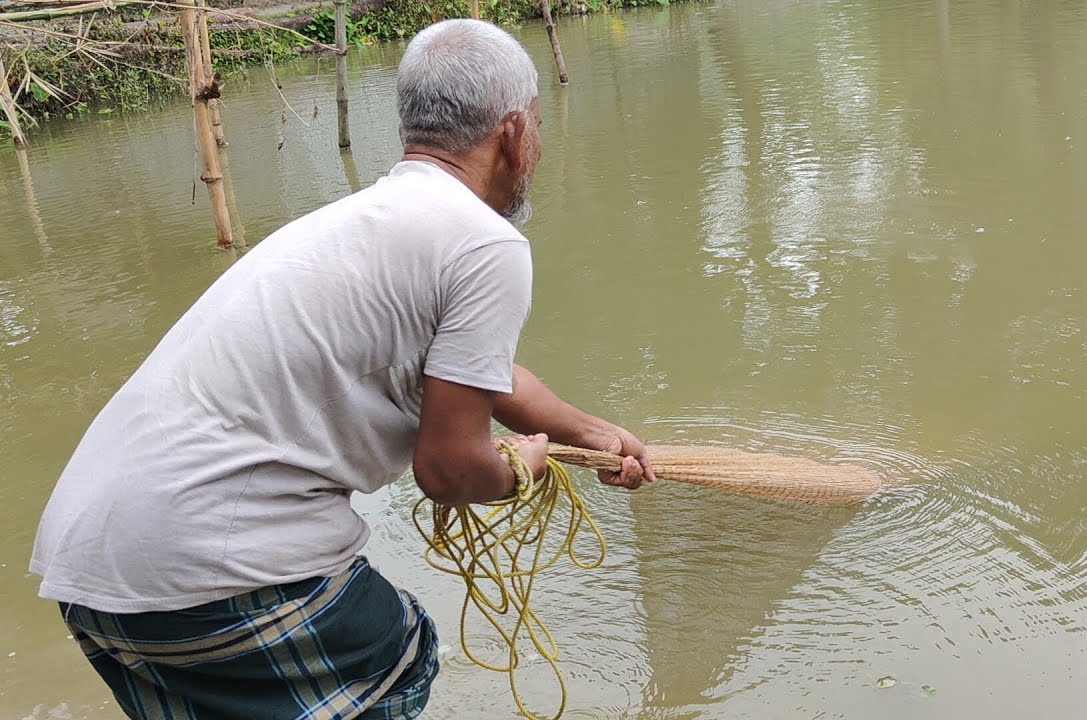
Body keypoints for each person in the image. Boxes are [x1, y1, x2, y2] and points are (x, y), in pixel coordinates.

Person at [28, 18, 655, 720]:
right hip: (208, 571)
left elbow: (486, 373)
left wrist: (590, 433)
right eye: (536, 125)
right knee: (398, 656)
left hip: (93, 569)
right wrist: (519, 470)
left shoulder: (360, 223)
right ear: (514, 133)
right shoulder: (485, 245)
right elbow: (451, 472)